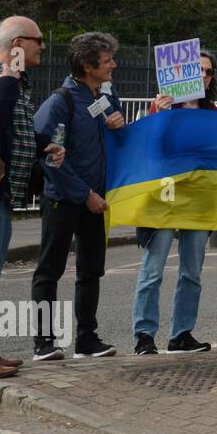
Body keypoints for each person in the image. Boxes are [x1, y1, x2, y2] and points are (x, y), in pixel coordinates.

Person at [0, 17, 64, 379]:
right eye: (38, 40)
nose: (43, 46)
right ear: (17, 46)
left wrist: (44, 146)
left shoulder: (14, 84)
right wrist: (7, 79)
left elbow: (15, 130)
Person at [30, 32, 126, 360]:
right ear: (88, 66)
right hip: (64, 200)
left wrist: (117, 123)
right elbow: (52, 157)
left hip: (94, 201)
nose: (113, 64)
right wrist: (85, 195)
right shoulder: (61, 101)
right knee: (49, 270)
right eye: (107, 60)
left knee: (90, 270)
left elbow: (112, 134)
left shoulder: (100, 96)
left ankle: (87, 339)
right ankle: (43, 342)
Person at [131, 51, 217, 356]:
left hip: (196, 199)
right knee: (153, 268)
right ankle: (144, 334)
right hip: (165, 197)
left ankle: (181, 333)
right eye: (199, 70)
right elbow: (146, 144)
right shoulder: (162, 106)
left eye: (209, 72)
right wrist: (158, 113)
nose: (204, 76)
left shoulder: (212, 111)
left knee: (191, 271)